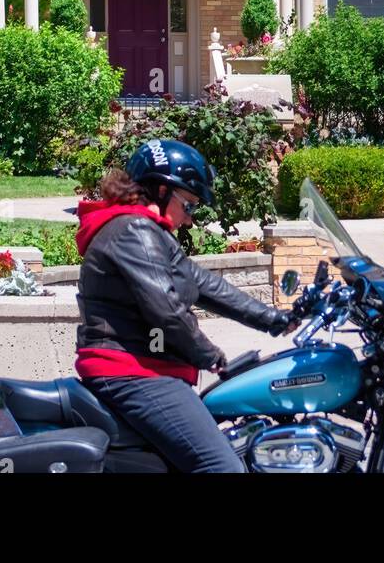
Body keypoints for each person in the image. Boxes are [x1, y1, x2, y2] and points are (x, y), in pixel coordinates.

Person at [74, 138, 296, 473]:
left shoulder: (142, 230)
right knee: (223, 468)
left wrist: (275, 319)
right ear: (161, 191)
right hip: (132, 371)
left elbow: (205, 284)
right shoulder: (135, 230)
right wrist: (209, 355)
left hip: (139, 367)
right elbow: (165, 310)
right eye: (189, 205)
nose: (190, 219)